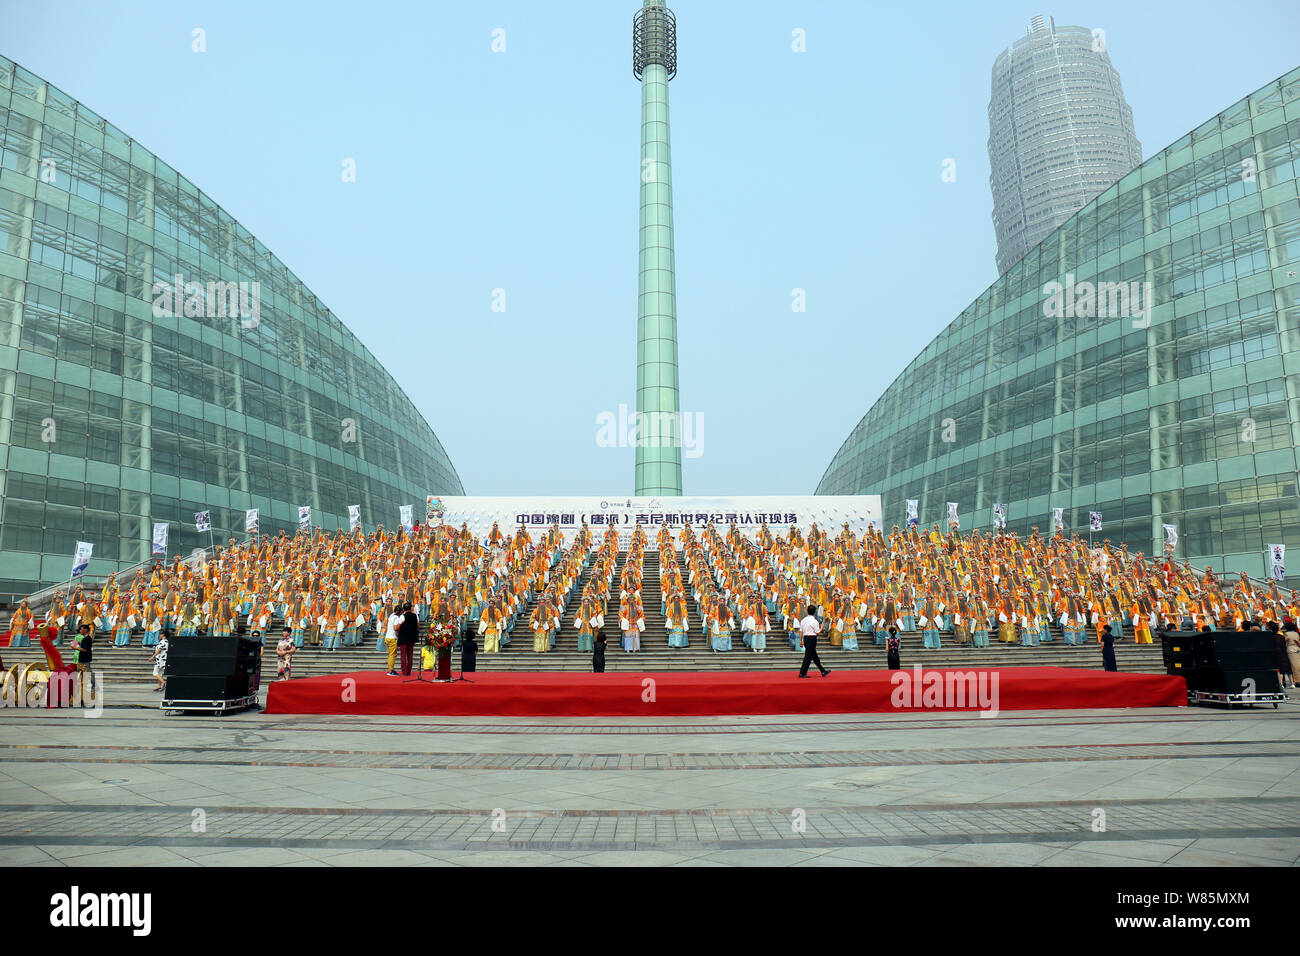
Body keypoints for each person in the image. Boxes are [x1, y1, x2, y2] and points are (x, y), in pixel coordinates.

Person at [798, 604, 830, 678]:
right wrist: (822, 627)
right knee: (808, 657)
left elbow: (801, 632)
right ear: (814, 612)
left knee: (813, 656)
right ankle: (802, 673)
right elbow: (817, 632)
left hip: (805, 638)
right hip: (812, 638)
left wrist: (800, 641)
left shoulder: (803, 620)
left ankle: (822, 670)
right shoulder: (814, 621)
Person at [69, 623, 95, 693]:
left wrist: (74, 647)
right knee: (78, 672)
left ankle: (93, 685)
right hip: (81, 657)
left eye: (81, 629)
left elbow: (85, 649)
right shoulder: (83, 638)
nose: (80, 630)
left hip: (85, 658)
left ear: (85, 630)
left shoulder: (87, 639)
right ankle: (75, 687)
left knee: (88, 672)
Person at [396, 602, 419, 676]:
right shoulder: (415, 616)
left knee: (403, 655)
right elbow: (418, 625)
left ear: (404, 609)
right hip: (412, 637)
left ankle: (404, 671)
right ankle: (409, 671)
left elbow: (398, 627)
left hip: (404, 638)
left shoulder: (403, 616)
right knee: (410, 655)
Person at [384, 605, 403, 676]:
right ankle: (391, 670)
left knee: (390, 654)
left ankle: (390, 669)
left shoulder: (391, 615)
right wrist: (401, 622)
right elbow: (395, 628)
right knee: (392, 655)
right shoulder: (396, 618)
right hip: (392, 638)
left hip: (387, 637)